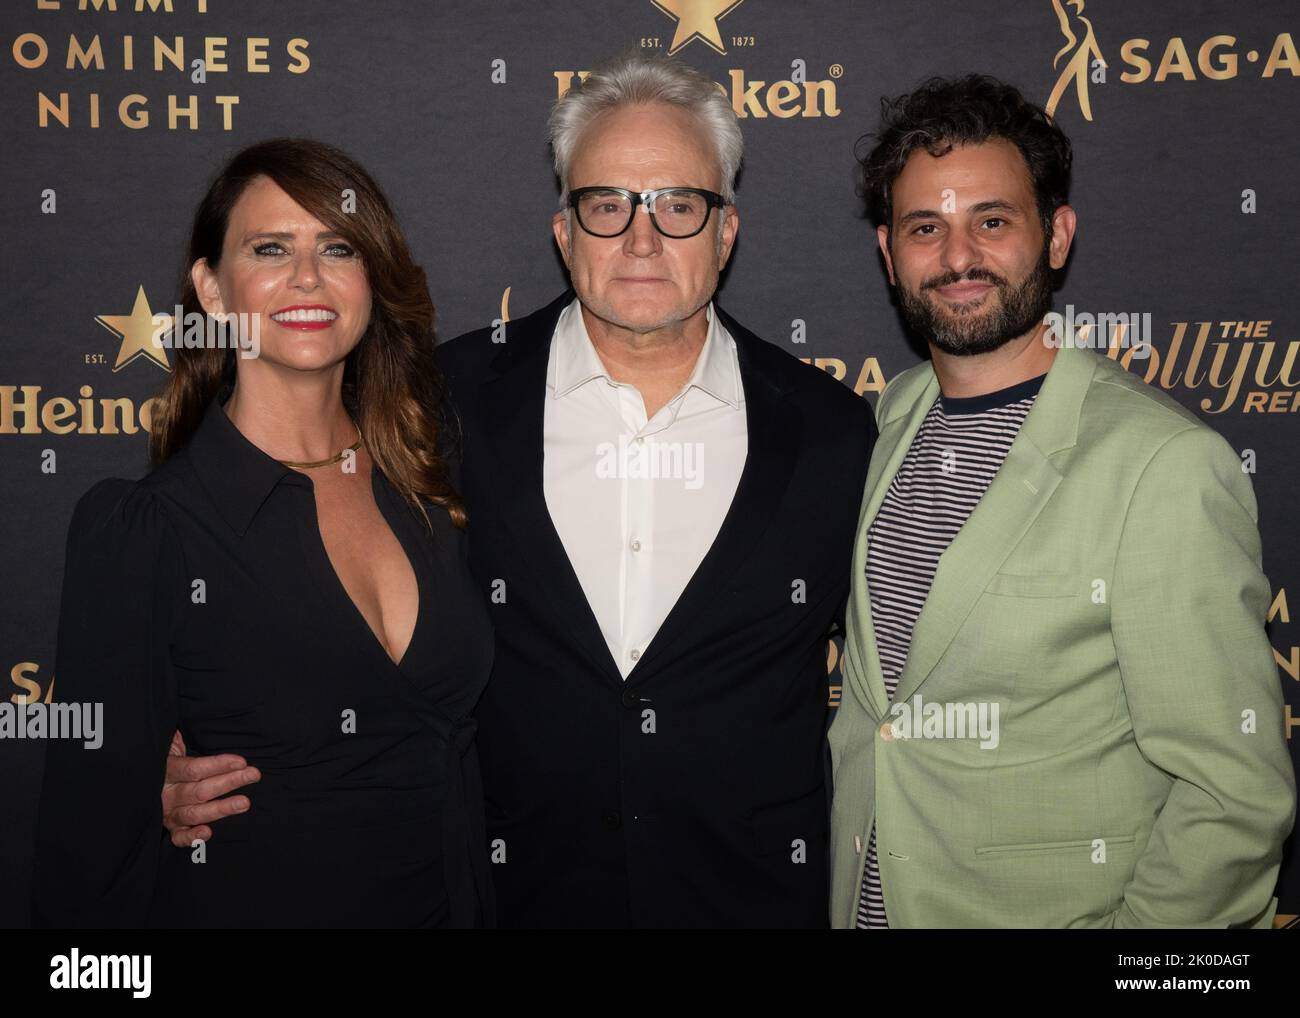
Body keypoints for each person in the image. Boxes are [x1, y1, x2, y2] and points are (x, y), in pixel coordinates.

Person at [162, 54, 878, 928]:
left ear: (727, 231)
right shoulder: (440, 401)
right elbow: (305, 583)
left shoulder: (834, 432)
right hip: (505, 899)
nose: (641, 240)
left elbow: (896, 687)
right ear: (564, 231)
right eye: (606, 205)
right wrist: (159, 759)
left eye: (679, 206)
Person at [829, 74, 1296, 928]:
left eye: (992, 221)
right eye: (925, 227)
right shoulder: (888, 418)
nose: (958, 256)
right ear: (889, 254)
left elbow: (1232, 794)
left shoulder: (1162, 464)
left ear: (1056, 236)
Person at [33, 138, 494, 928]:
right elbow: (88, 865)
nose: (308, 276)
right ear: (213, 290)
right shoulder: (152, 530)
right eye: (270, 248)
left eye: (337, 247)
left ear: (370, 282)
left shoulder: (432, 490)